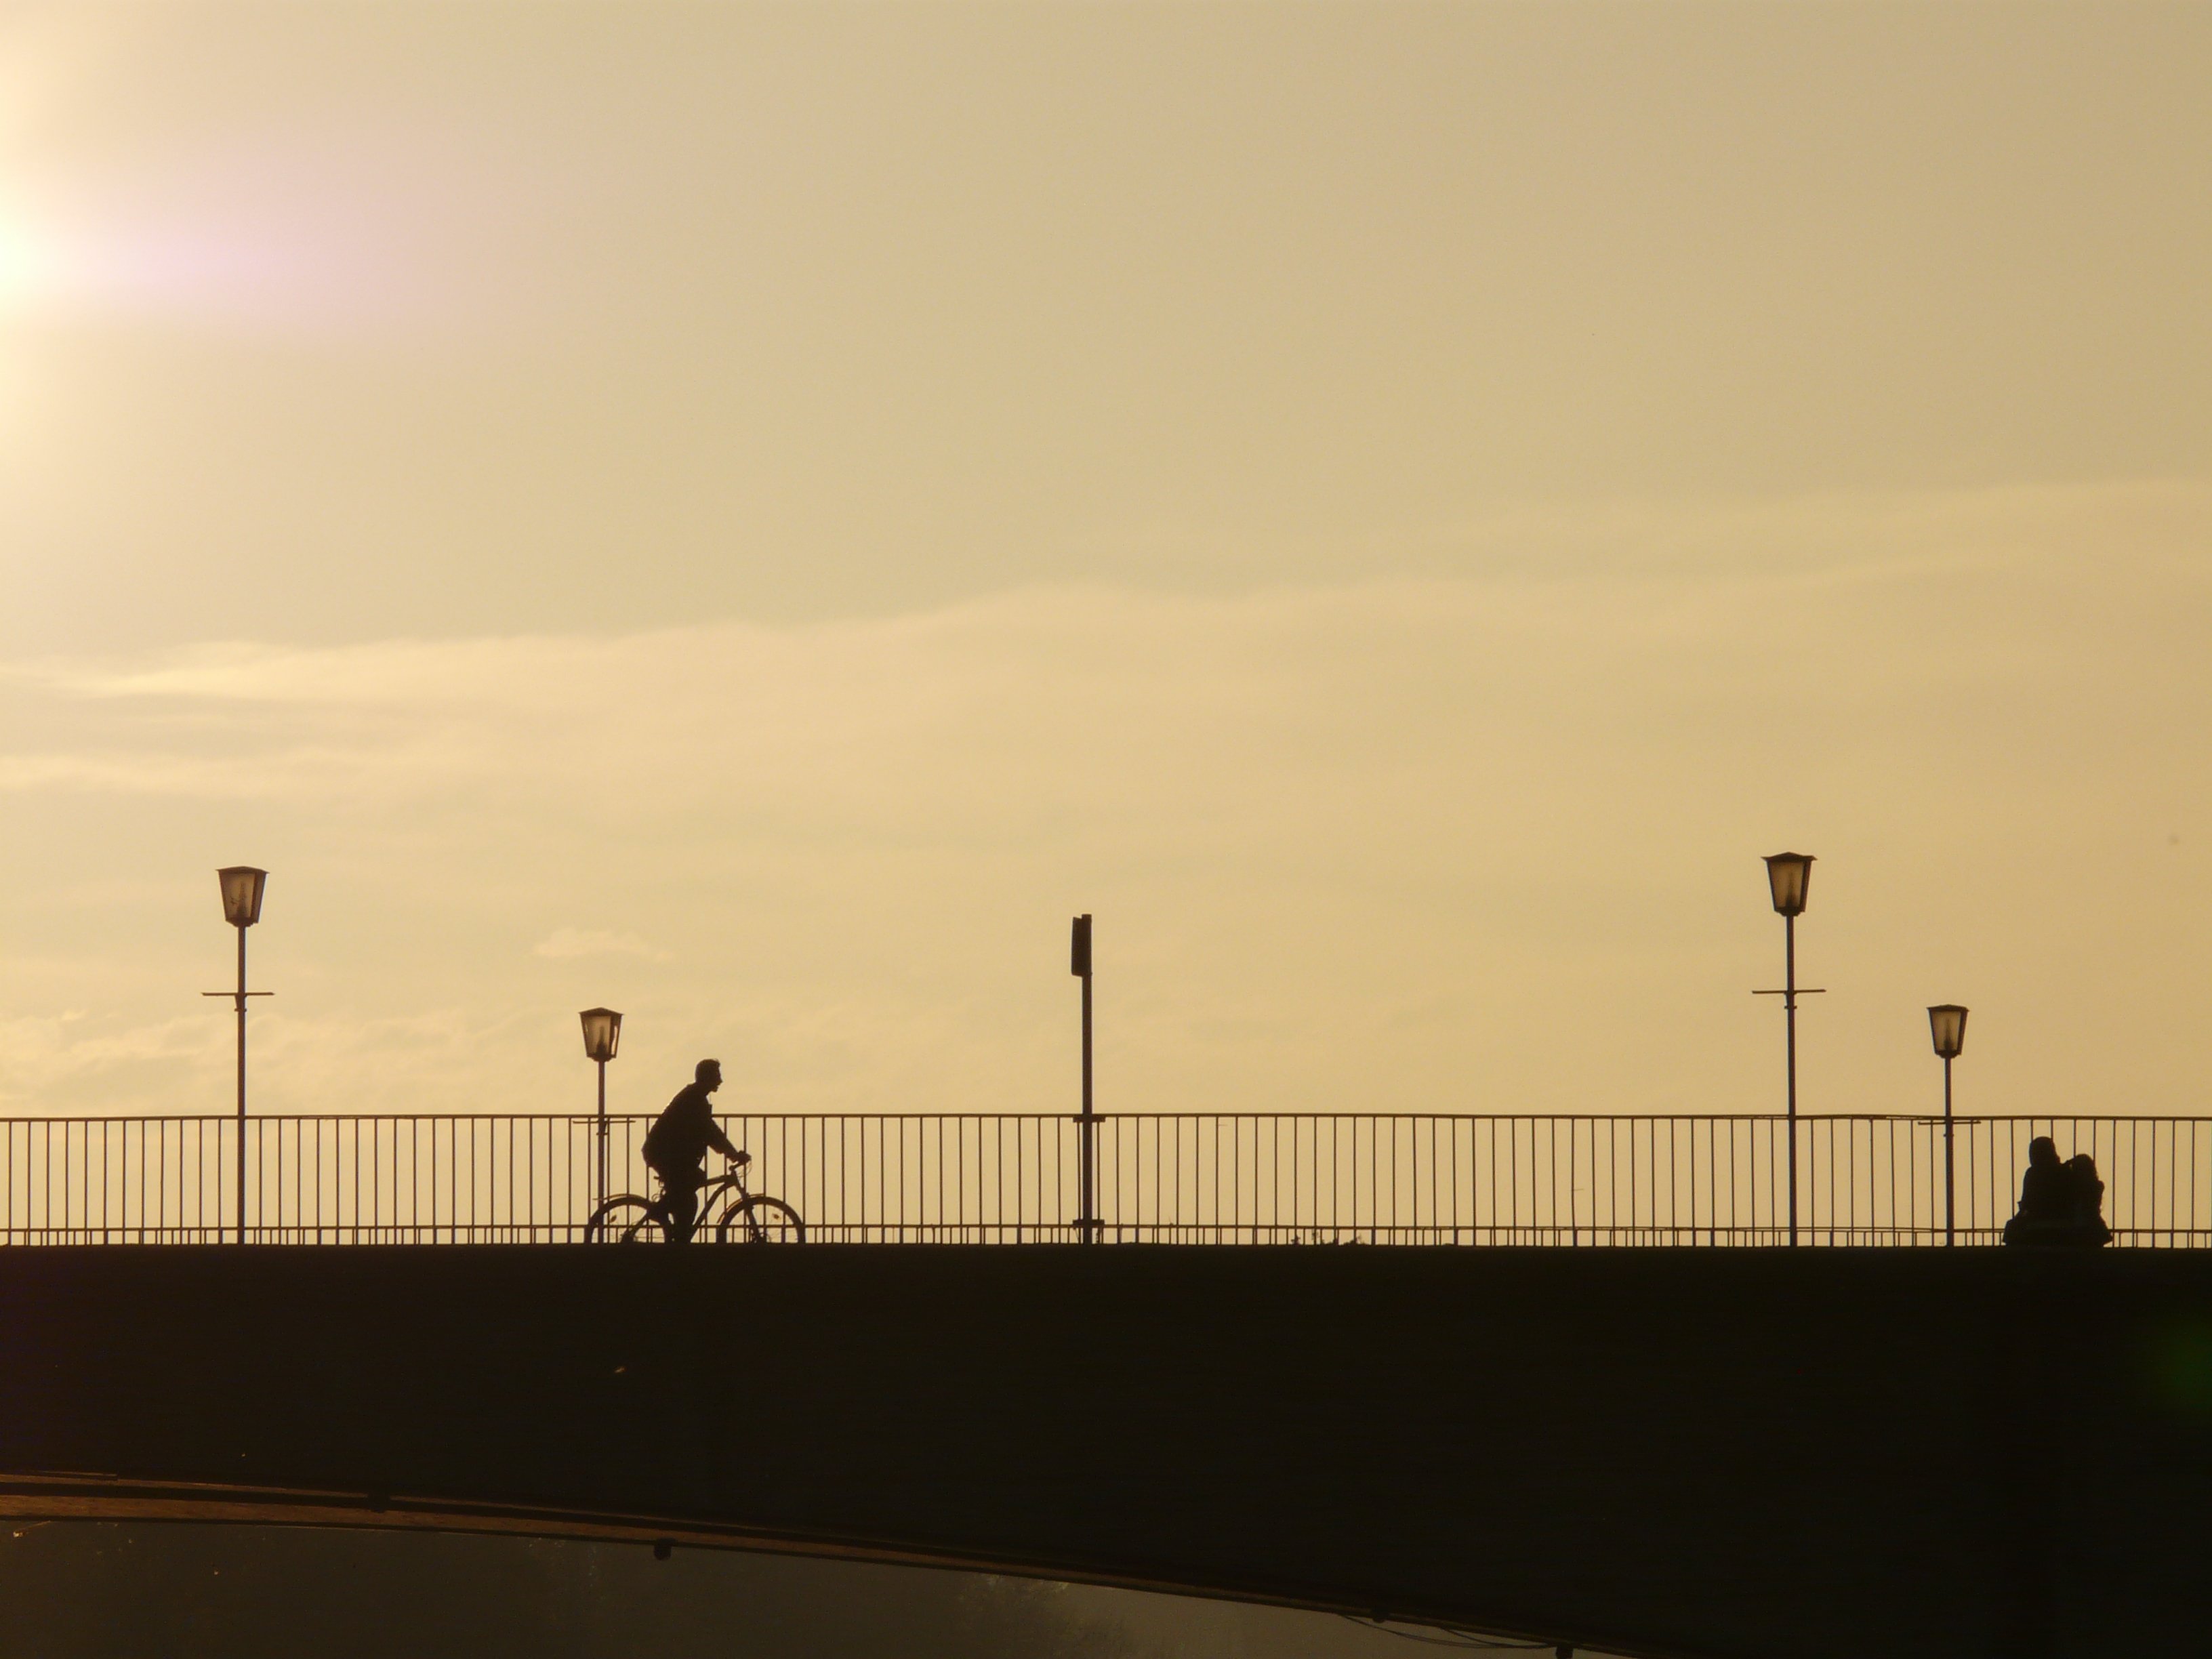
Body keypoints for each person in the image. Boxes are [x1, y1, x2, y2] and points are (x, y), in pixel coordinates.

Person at [642, 1059, 745, 1242]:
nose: (720, 1081)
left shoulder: (695, 1097)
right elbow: (710, 1131)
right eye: (717, 1076)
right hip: (663, 1154)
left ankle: (678, 1235)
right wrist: (732, 1153)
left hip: (667, 1153)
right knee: (693, 1183)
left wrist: (730, 1152)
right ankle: (661, 1213)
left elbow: (709, 1131)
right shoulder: (694, 1100)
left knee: (687, 1197)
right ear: (708, 1077)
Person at [2002, 1136, 2111, 1248]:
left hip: (2037, 1227)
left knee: (2011, 1229)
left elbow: (2027, 1205)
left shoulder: (2033, 1174)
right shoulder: (2066, 1172)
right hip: (2066, 1227)